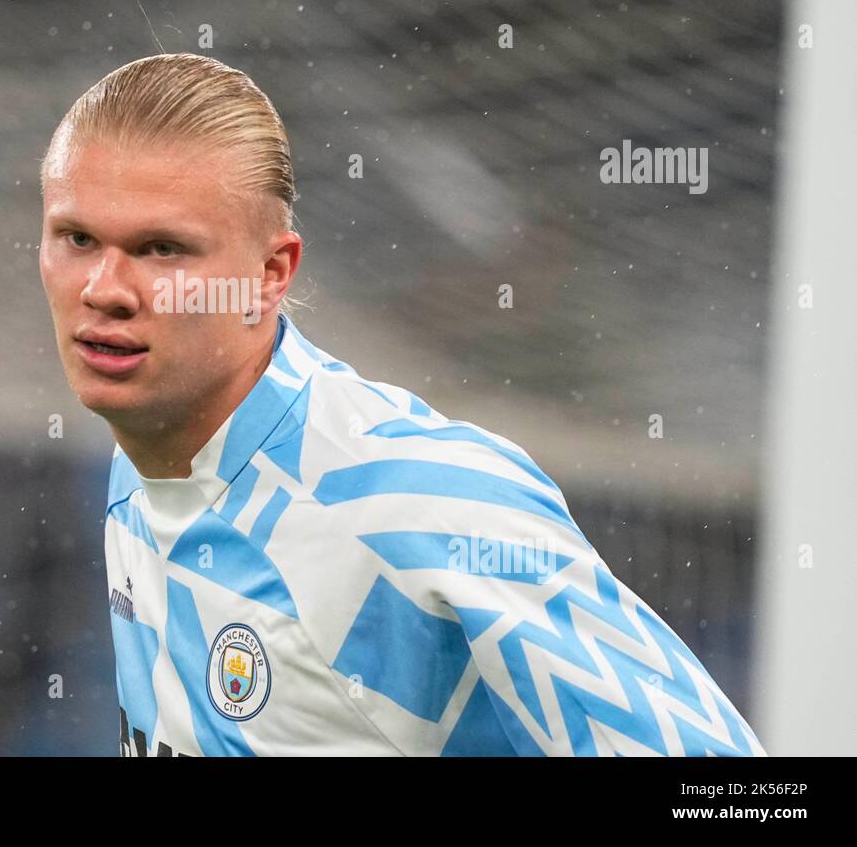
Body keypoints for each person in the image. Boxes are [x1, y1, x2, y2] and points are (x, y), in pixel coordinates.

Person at [37, 52, 767, 757]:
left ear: (270, 273)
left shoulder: (420, 503)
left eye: (162, 248)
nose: (105, 288)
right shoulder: (141, 460)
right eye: (77, 237)